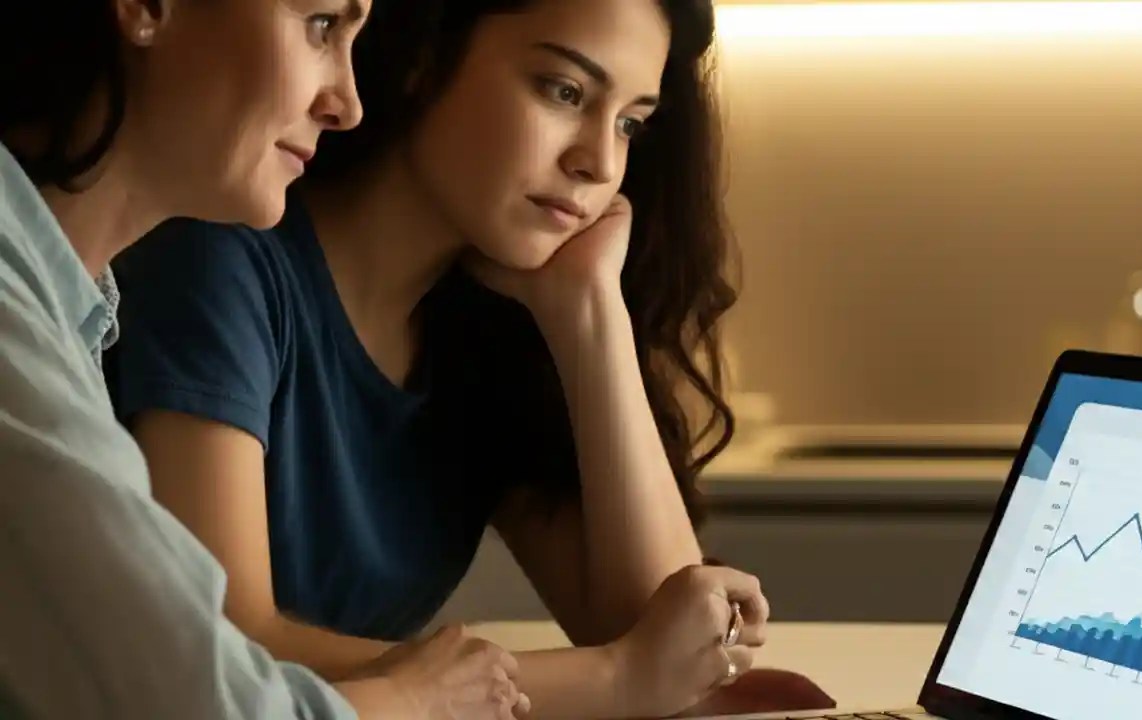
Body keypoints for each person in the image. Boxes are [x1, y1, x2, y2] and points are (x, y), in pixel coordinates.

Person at [105, 0, 770, 717]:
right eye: (564, 91)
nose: (599, 162)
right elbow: (228, 645)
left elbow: (672, 645)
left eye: (630, 123)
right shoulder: (217, 261)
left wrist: (589, 312)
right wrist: (610, 680)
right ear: (425, 58)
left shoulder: (481, 341)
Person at [0, 0, 533, 718]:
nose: (346, 103)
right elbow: (195, 702)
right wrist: (411, 702)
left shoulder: (72, 312)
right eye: (320, 25)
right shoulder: (13, 315)